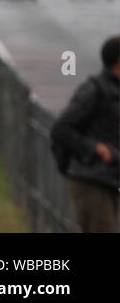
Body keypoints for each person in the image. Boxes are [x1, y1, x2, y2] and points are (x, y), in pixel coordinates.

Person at [51, 36, 119, 233]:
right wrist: (94, 148)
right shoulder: (95, 90)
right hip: (92, 181)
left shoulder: (114, 90)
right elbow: (61, 128)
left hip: (109, 180)